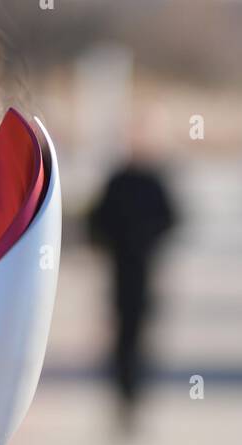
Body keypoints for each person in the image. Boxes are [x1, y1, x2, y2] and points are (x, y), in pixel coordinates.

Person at [86, 145, 178, 426]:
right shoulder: (119, 181)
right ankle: (125, 387)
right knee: (124, 333)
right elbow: (97, 222)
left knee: (137, 332)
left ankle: (133, 387)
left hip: (143, 270)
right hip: (122, 269)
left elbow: (170, 219)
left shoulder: (152, 182)